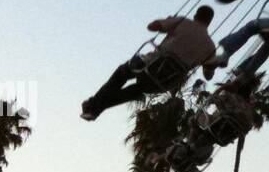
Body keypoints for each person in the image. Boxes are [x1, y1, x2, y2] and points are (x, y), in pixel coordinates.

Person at [81, 7, 216, 120]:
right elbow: (208, 75)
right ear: (209, 22)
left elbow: (151, 27)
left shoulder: (183, 22)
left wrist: (169, 21)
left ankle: (93, 107)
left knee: (122, 74)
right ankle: (93, 109)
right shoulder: (210, 47)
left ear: (196, 14)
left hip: (149, 65)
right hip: (165, 81)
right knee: (135, 91)